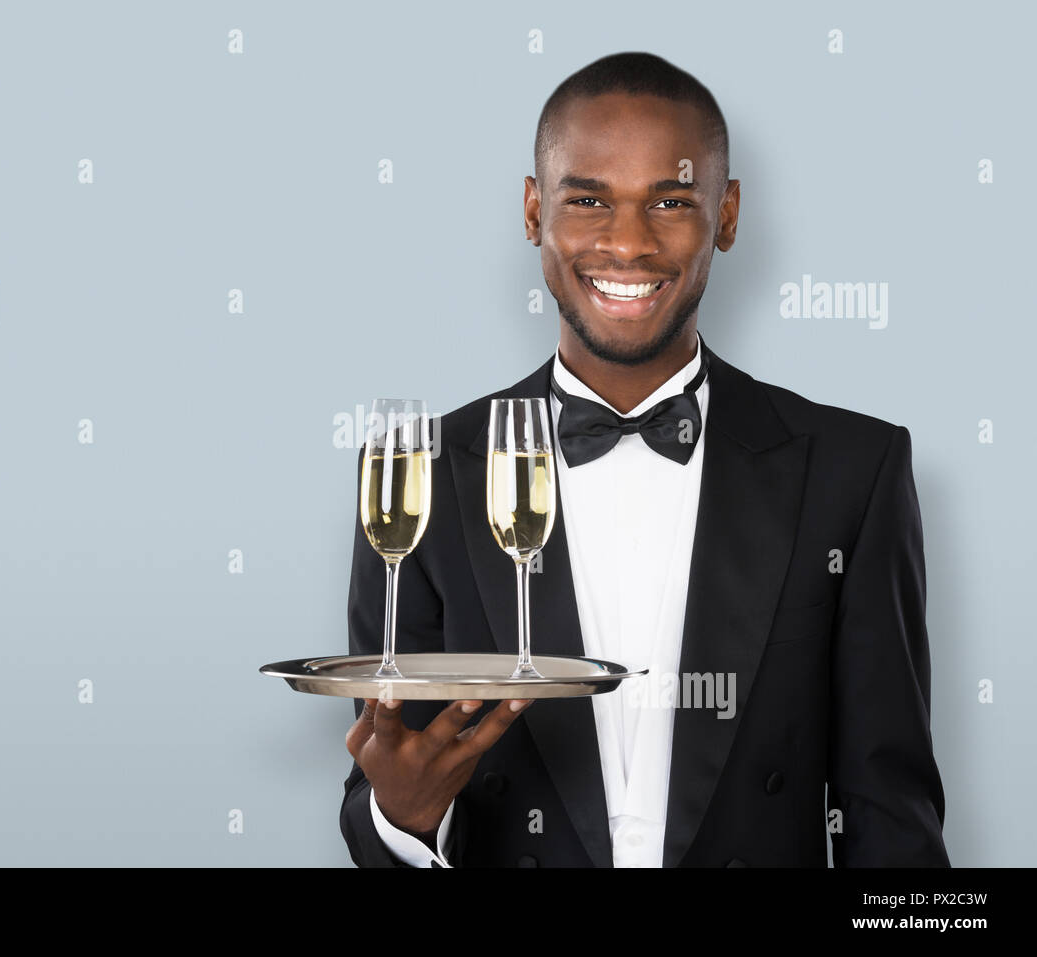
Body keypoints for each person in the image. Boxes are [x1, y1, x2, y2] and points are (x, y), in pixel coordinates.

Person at [340, 51, 949, 868]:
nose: (627, 243)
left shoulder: (853, 470)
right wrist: (402, 820)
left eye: (670, 200)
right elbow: (378, 791)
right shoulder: (426, 472)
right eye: (587, 199)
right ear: (532, 210)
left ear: (727, 216)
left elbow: (892, 816)